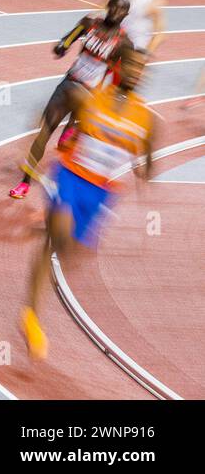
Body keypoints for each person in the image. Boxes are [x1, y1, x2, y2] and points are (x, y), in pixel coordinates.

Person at [20, 46, 154, 361]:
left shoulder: (146, 116)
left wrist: (143, 170)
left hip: (100, 192)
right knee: (57, 238)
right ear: (119, 67)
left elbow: (146, 159)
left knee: (66, 252)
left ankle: (49, 227)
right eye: (131, 65)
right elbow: (59, 105)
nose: (136, 72)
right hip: (71, 177)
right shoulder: (90, 98)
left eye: (142, 68)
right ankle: (31, 316)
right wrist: (38, 128)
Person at [10, 0, 130, 201]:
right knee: (44, 133)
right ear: (107, 6)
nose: (116, 13)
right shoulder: (90, 23)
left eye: (121, 11)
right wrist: (62, 46)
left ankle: (71, 132)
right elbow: (66, 40)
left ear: (126, 14)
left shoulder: (125, 43)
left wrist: (116, 99)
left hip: (89, 96)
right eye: (113, 8)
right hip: (68, 84)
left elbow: (125, 80)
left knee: (73, 147)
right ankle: (24, 183)